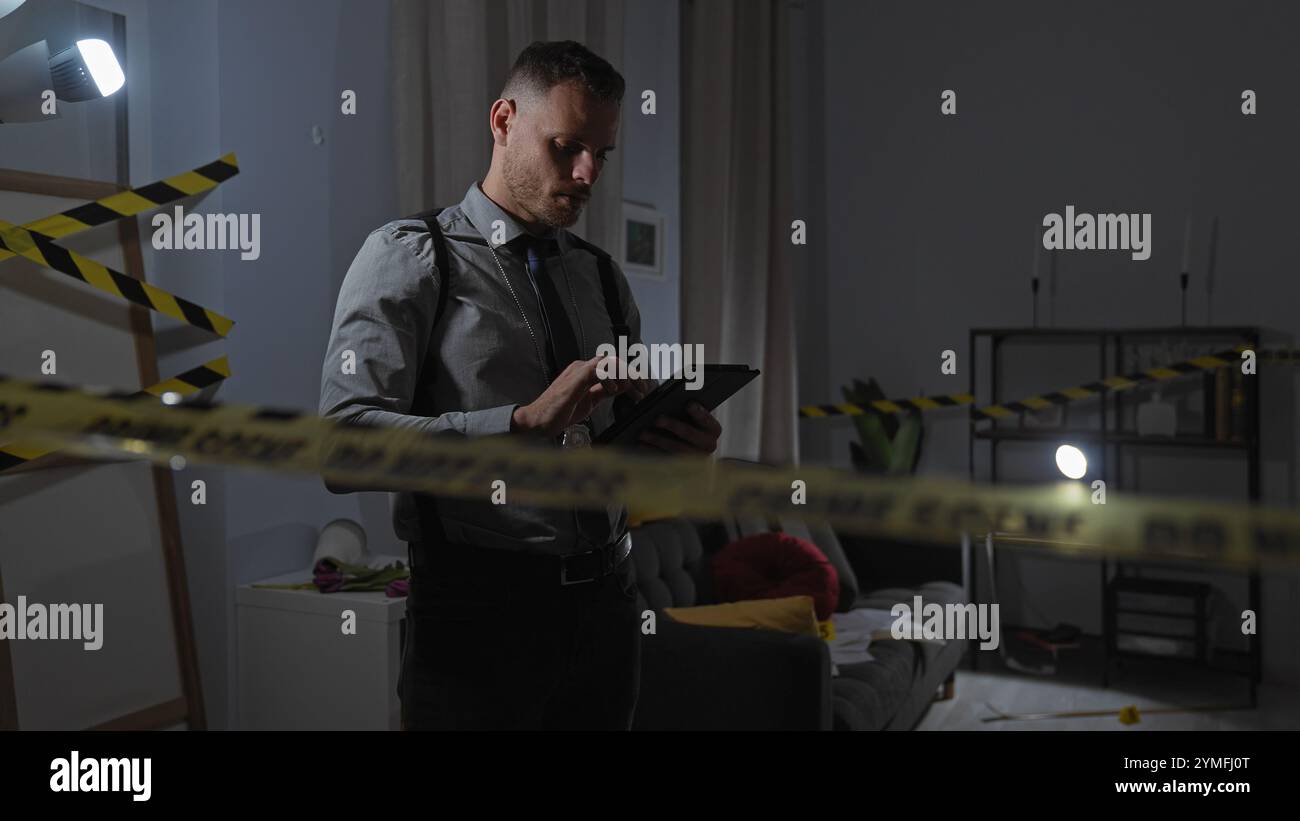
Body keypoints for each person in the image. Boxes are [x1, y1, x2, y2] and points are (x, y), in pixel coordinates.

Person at [318, 40, 722, 730]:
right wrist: (520, 424)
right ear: (503, 119)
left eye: (602, 153)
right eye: (567, 146)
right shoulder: (411, 256)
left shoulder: (600, 275)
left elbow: (606, 454)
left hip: (609, 609)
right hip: (477, 618)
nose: (588, 172)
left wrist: (665, 446)